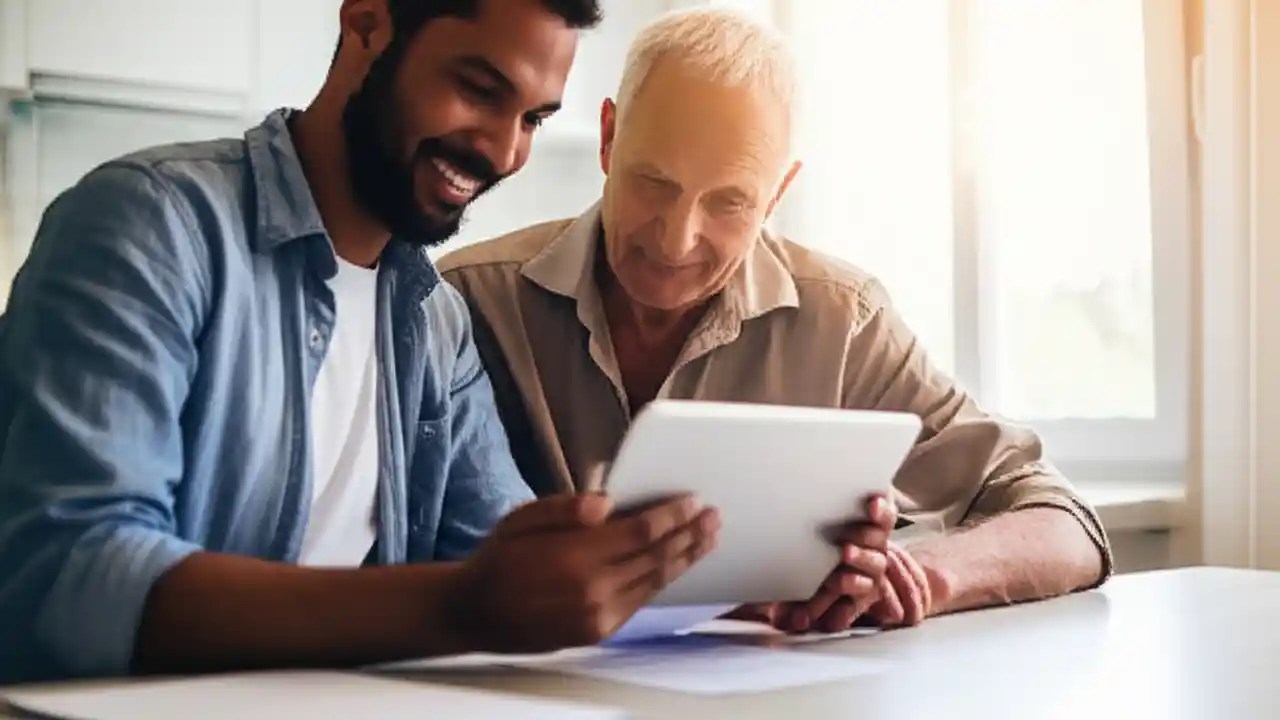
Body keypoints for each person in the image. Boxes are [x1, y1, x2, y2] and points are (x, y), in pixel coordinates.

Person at [0, 0, 741, 683]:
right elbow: (68, 575)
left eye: (533, 120)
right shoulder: (151, 226)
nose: (505, 152)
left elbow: (519, 570)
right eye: (480, 90)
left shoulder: (434, 319)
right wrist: (457, 606)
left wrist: (741, 600)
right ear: (366, 25)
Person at [439, 7, 1112, 635]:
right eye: (655, 182)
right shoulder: (465, 303)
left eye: (729, 202)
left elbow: (1064, 522)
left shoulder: (844, 322)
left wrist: (924, 580)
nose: (677, 240)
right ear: (609, 139)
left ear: (777, 194)